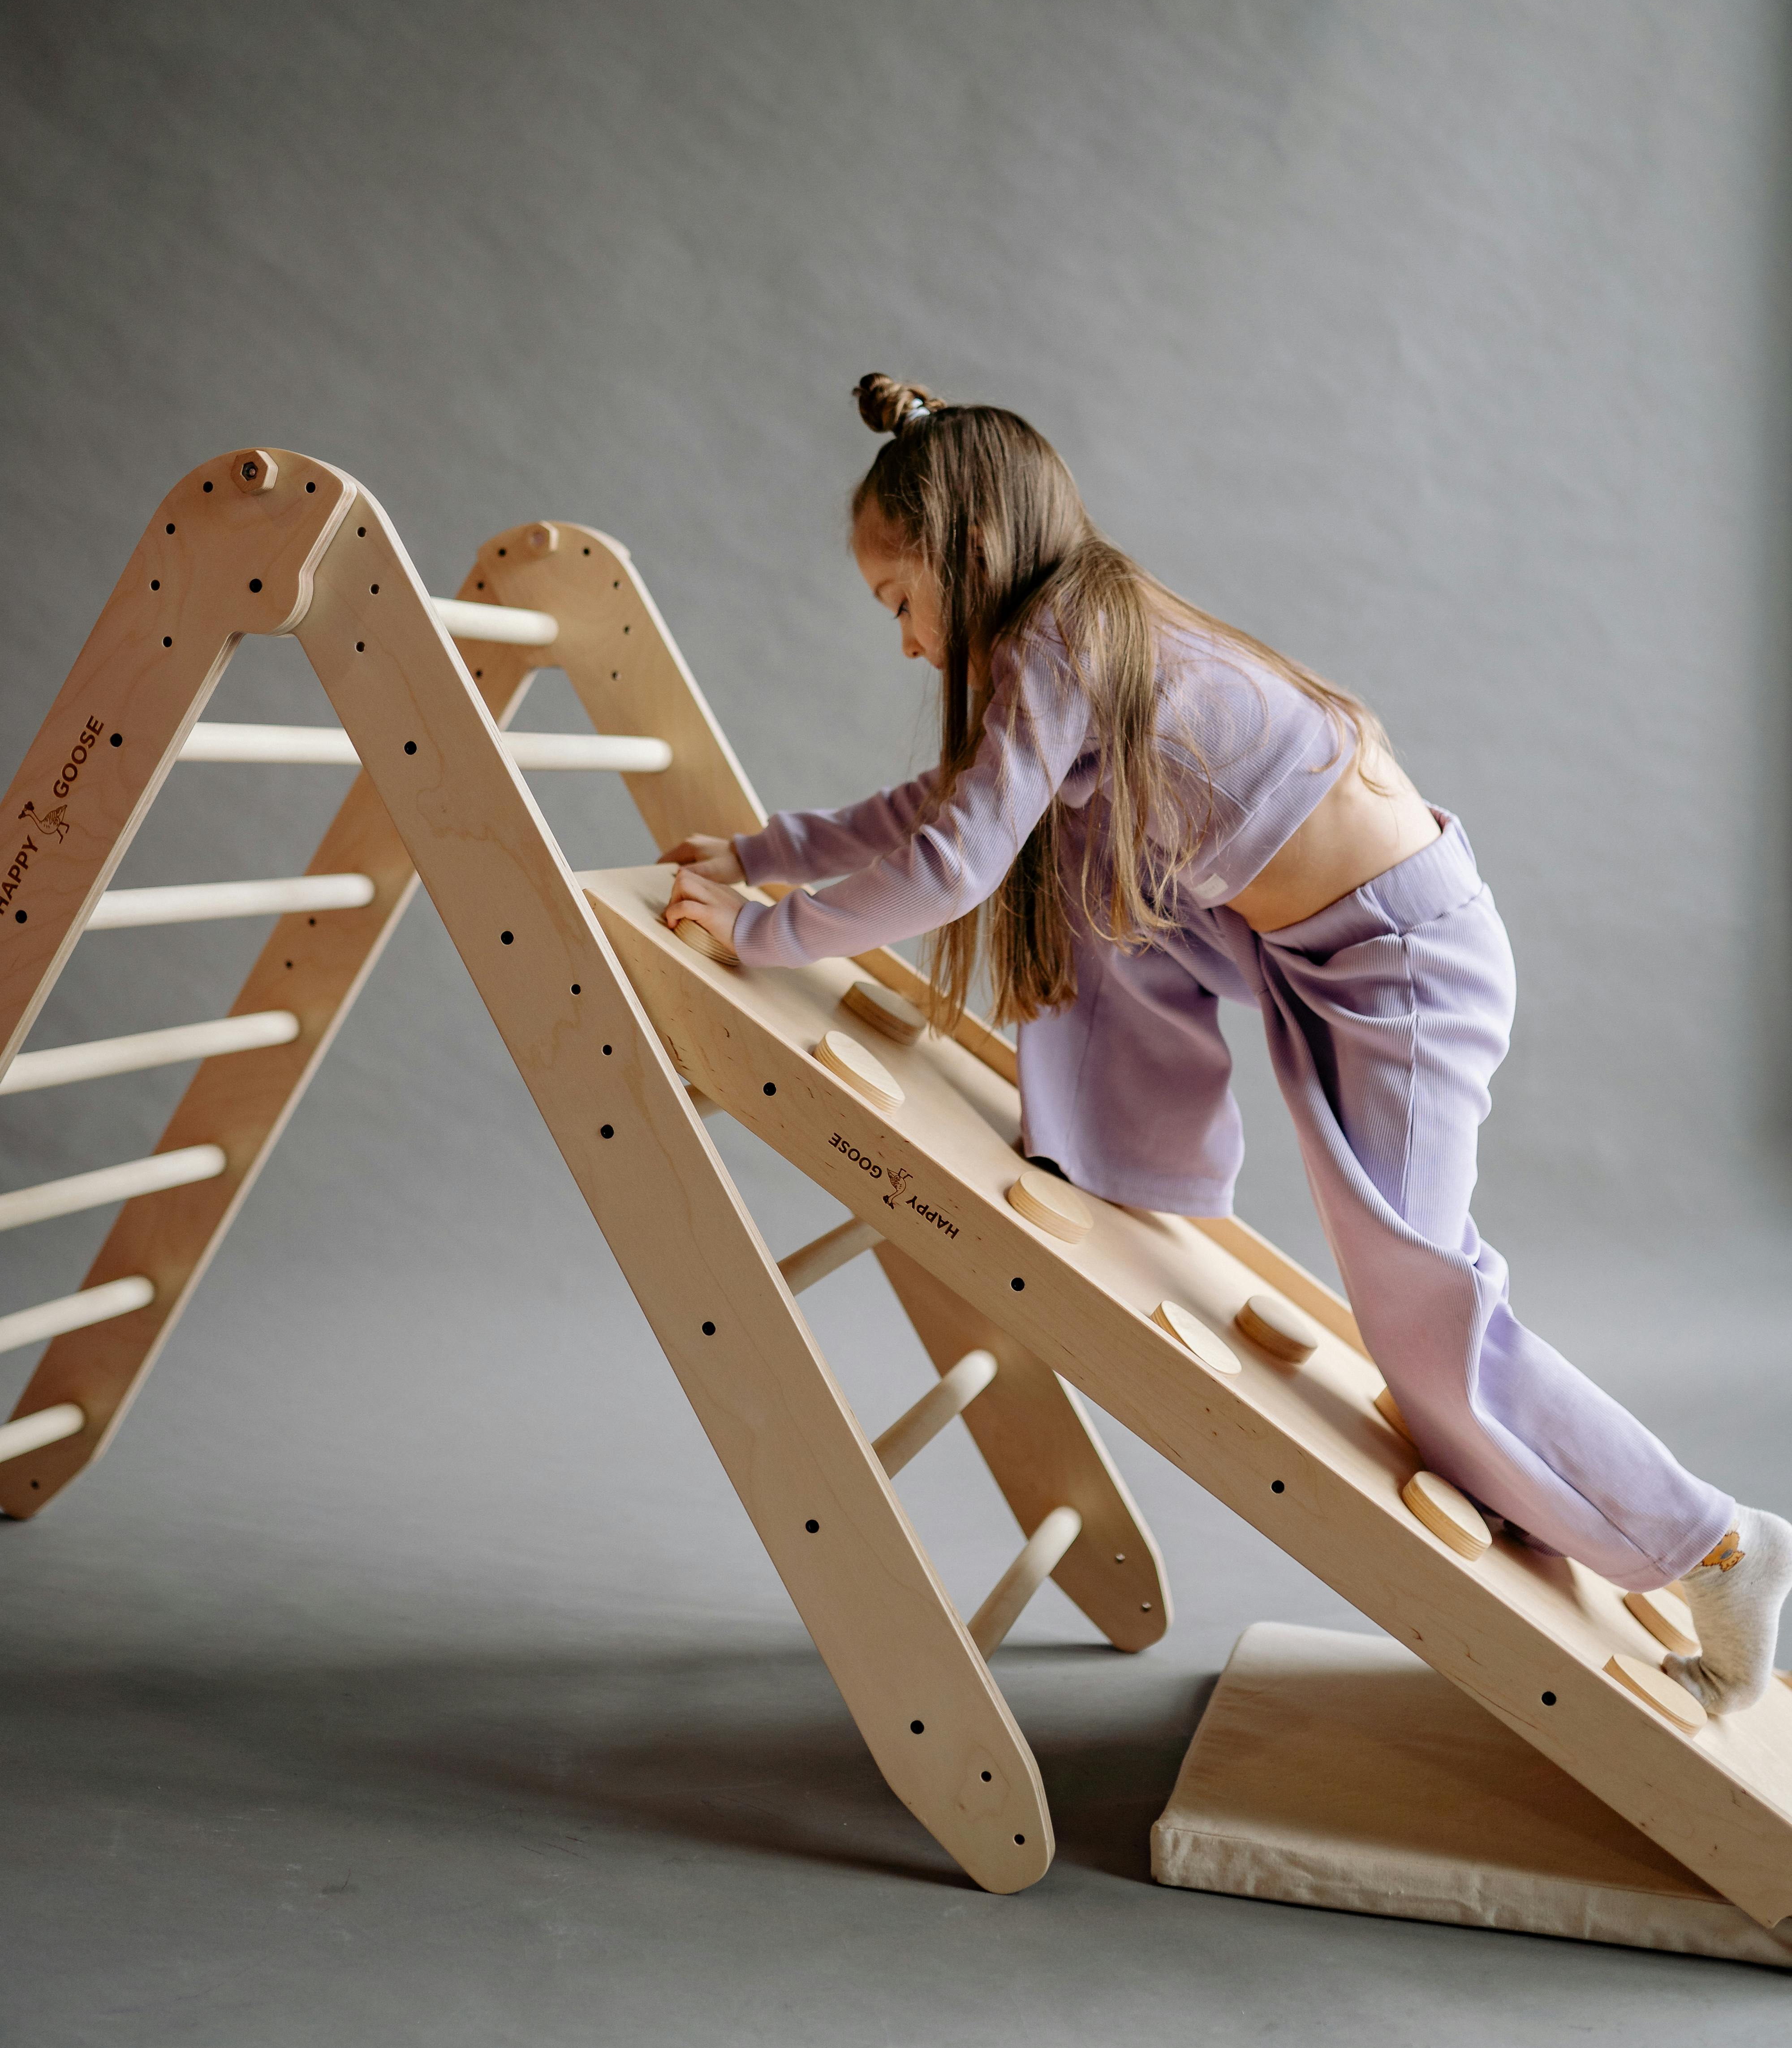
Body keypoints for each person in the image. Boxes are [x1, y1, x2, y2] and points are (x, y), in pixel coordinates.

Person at [664, 374, 1792, 1718]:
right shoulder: (1085, 624)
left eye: (898, 602)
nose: (908, 644)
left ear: (971, 551)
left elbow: (955, 861)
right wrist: (763, 853)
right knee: (1082, 862)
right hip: (1321, 954)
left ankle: (1718, 1550)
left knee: (1422, 1318)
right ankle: (1122, 1156)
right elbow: (951, 803)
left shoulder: (1066, 638)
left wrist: (766, 933)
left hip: (1401, 966)